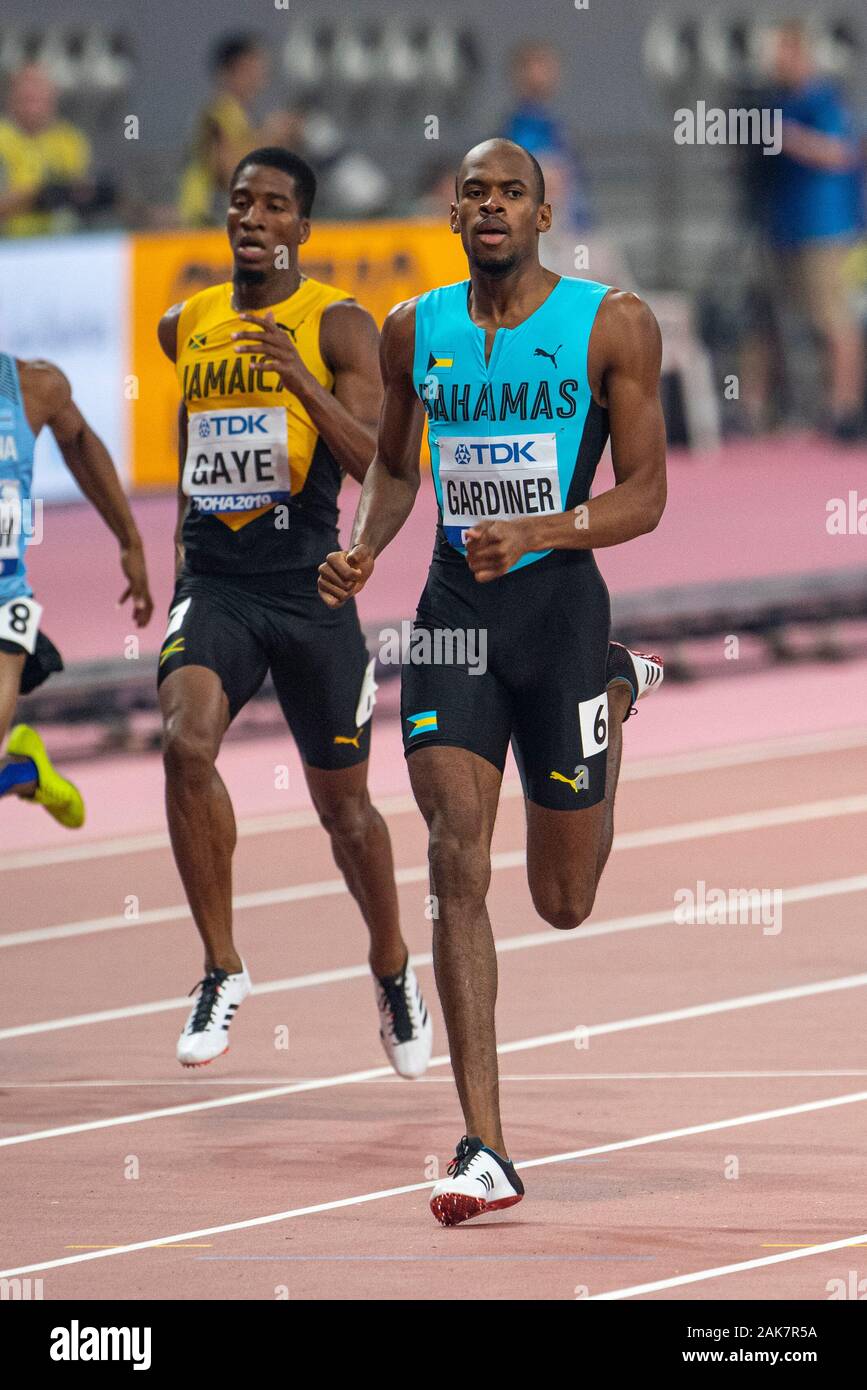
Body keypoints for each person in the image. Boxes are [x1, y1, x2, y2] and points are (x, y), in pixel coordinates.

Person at [319, 138, 666, 1226]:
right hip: (455, 618)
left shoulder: (613, 323)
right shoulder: (412, 329)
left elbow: (647, 495)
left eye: (511, 191)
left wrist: (540, 531)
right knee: (451, 849)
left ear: (543, 209)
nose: (491, 205)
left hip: (561, 619)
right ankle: (486, 1147)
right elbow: (394, 462)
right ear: (453, 211)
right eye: (473, 191)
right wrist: (368, 545)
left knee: (562, 901)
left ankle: (610, 697)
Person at [157, 146, 431, 1077]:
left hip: (309, 594)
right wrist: (174, 563)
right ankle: (221, 966)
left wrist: (296, 375)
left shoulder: (341, 327)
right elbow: (194, 445)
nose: (253, 218)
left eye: (274, 206)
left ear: (302, 230)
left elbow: (381, 466)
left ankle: (392, 968)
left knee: (345, 812)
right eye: (240, 203)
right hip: (220, 586)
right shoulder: (184, 323)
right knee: (185, 744)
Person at [0, 351, 153, 820]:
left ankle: (24, 770)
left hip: (5, 605)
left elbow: (81, 441)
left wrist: (130, 540)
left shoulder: (32, 387)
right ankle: (24, 771)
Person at [763, 21, 865, 439]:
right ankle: (815, 408)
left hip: (829, 230)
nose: (776, 63)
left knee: (834, 319)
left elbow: (844, 153)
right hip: (787, 228)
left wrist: (791, 139)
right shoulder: (777, 102)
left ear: (803, 56)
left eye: (784, 54)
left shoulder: (824, 100)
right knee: (799, 322)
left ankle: (845, 409)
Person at [178, 34, 295, 229]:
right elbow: (228, 174)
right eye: (250, 69)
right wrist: (270, 140)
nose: (259, 77)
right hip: (202, 221)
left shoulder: (243, 117)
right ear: (230, 71)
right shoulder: (217, 114)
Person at [0, 65, 93, 237]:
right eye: (26, 98)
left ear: (53, 98)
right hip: (7, 244)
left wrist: (78, 191)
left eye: (39, 97)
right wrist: (36, 196)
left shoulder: (69, 139)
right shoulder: (2, 138)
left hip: (59, 244)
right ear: (11, 98)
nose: (33, 106)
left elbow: (81, 192)